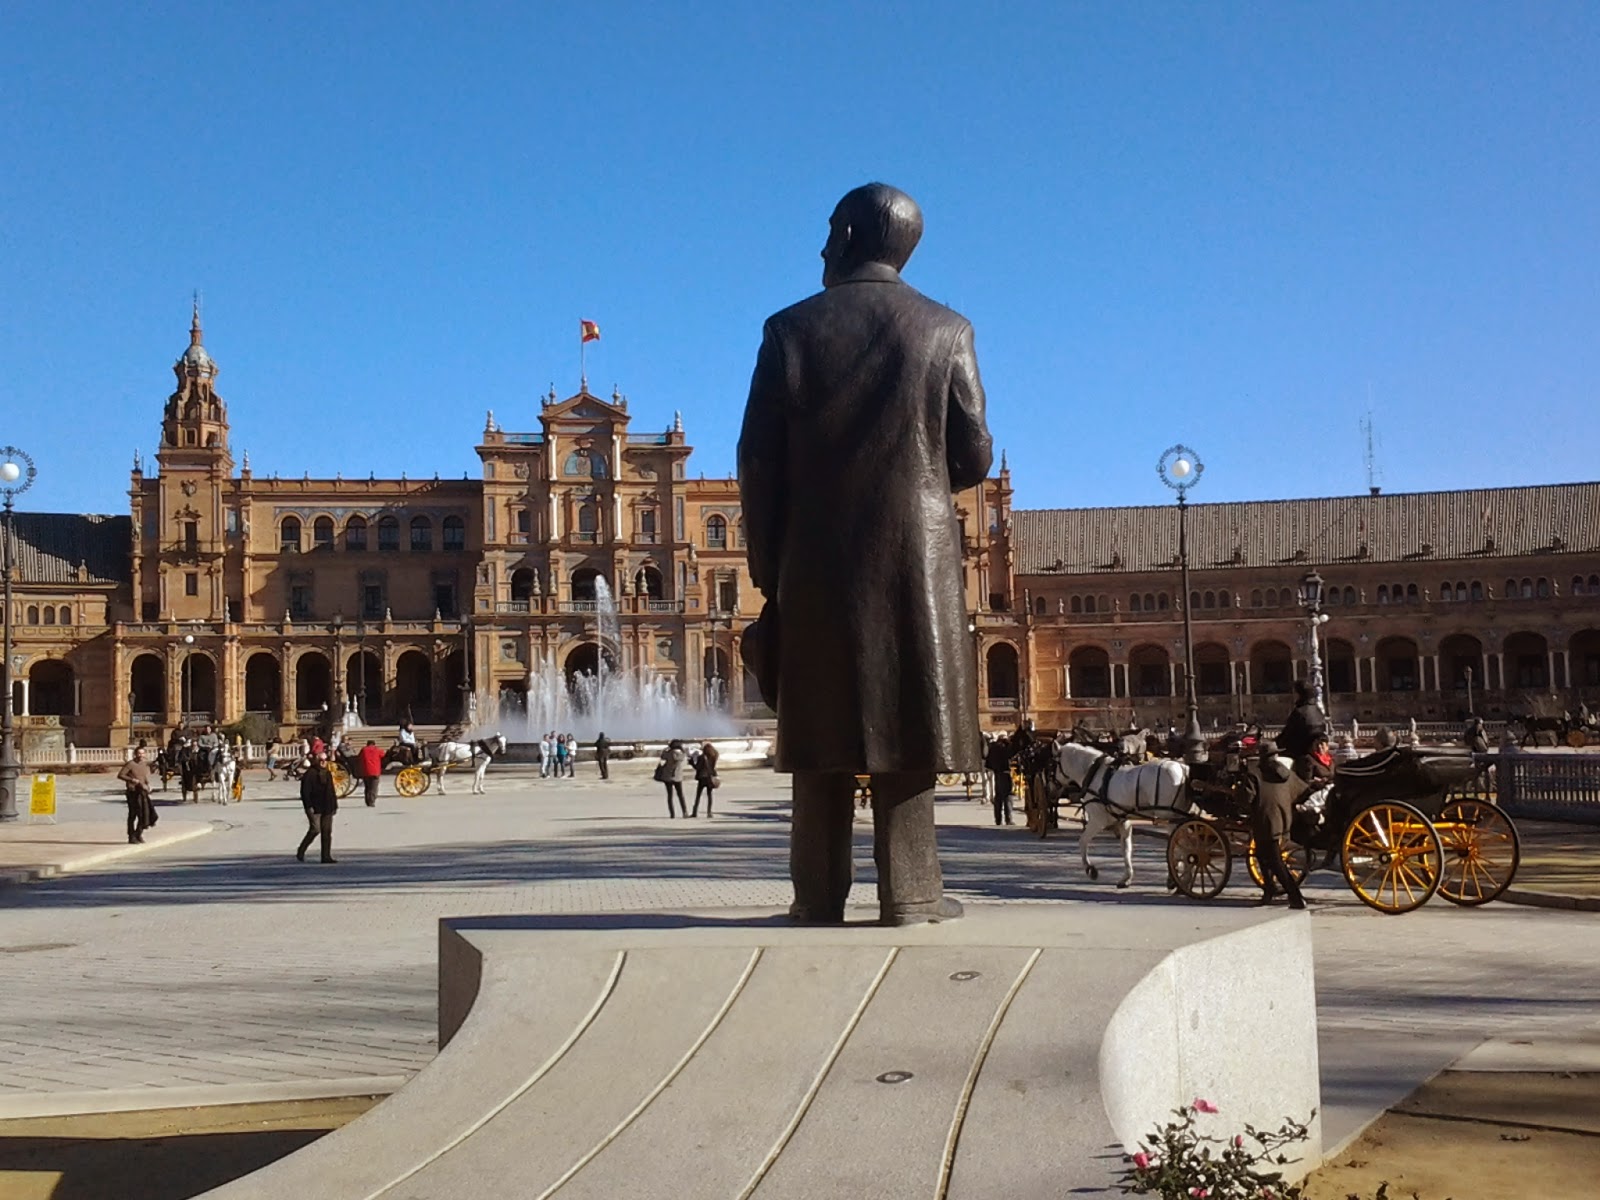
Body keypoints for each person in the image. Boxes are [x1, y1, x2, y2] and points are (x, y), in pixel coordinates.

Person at [739, 183, 992, 926]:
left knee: (820, 732)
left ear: (849, 234)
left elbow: (758, 462)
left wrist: (767, 566)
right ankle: (912, 894)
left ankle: (816, 896)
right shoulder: (948, 329)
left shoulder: (789, 330)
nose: (821, 248)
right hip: (914, 557)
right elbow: (974, 452)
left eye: (827, 232)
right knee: (905, 723)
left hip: (817, 562)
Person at [1250, 740, 1305, 909]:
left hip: (1265, 821)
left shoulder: (1255, 774)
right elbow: (1302, 790)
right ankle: (1269, 890)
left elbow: (1245, 799)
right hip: (1284, 821)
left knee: (1274, 861)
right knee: (1261, 854)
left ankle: (1295, 897)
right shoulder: (1287, 773)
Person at [296, 751, 338, 863]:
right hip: (314, 807)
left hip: (327, 806)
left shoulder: (328, 773)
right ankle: (301, 849)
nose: (323, 762)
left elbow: (331, 791)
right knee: (315, 829)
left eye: (325, 760)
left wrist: (334, 806)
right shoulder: (310, 774)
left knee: (327, 831)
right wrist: (308, 806)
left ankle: (326, 856)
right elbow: (305, 793)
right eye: (321, 760)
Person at [1276, 681, 1326, 762]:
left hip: (1299, 753)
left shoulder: (1299, 712)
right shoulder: (1318, 711)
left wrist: (1274, 743)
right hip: (1315, 753)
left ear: (1299, 694)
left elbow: (1287, 734)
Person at [117, 747, 158, 844]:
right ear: (135, 754)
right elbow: (121, 775)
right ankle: (131, 836)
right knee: (133, 814)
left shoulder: (144, 764)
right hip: (133, 792)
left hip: (142, 791)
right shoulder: (131, 764)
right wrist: (132, 780)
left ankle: (138, 833)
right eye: (139, 753)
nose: (141, 755)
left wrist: (148, 785)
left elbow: (144, 777)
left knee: (145, 814)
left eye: (142, 753)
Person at [984, 733, 1014, 826]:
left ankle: (998, 819)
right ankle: (1008, 819)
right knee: (1008, 796)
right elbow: (1010, 754)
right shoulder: (1004, 748)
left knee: (999, 797)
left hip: (997, 773)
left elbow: (988, 762)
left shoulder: (993, 747)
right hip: (1005, 772)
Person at [659, 739, 688, 817]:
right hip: (677, 776)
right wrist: (683, 749)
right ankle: (684, 812)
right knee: (680, 795)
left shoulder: (668, 753)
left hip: (667, 776)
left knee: (670, 796)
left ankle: (672, 813)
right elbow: (684, 755)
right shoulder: (680, 754)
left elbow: (662, 756)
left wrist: (666, 749)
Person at [691, 740, 720, 817]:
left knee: (698, 795)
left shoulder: (702, 757)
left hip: (702, 777)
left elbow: (697, 767)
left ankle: (695, 812)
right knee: (709, 795)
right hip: (710, 777)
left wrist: (691, 762)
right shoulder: (714, 756)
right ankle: (709, 812)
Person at [358, 739, 384, 807]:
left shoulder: (363, 750)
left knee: (367, 787)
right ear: (374, 744)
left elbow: (359, 757)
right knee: (374, 787)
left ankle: (367, 801)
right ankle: (372, 801)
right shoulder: (377, 750)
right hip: (375, 771)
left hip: (366, 771)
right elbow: (383, 755)